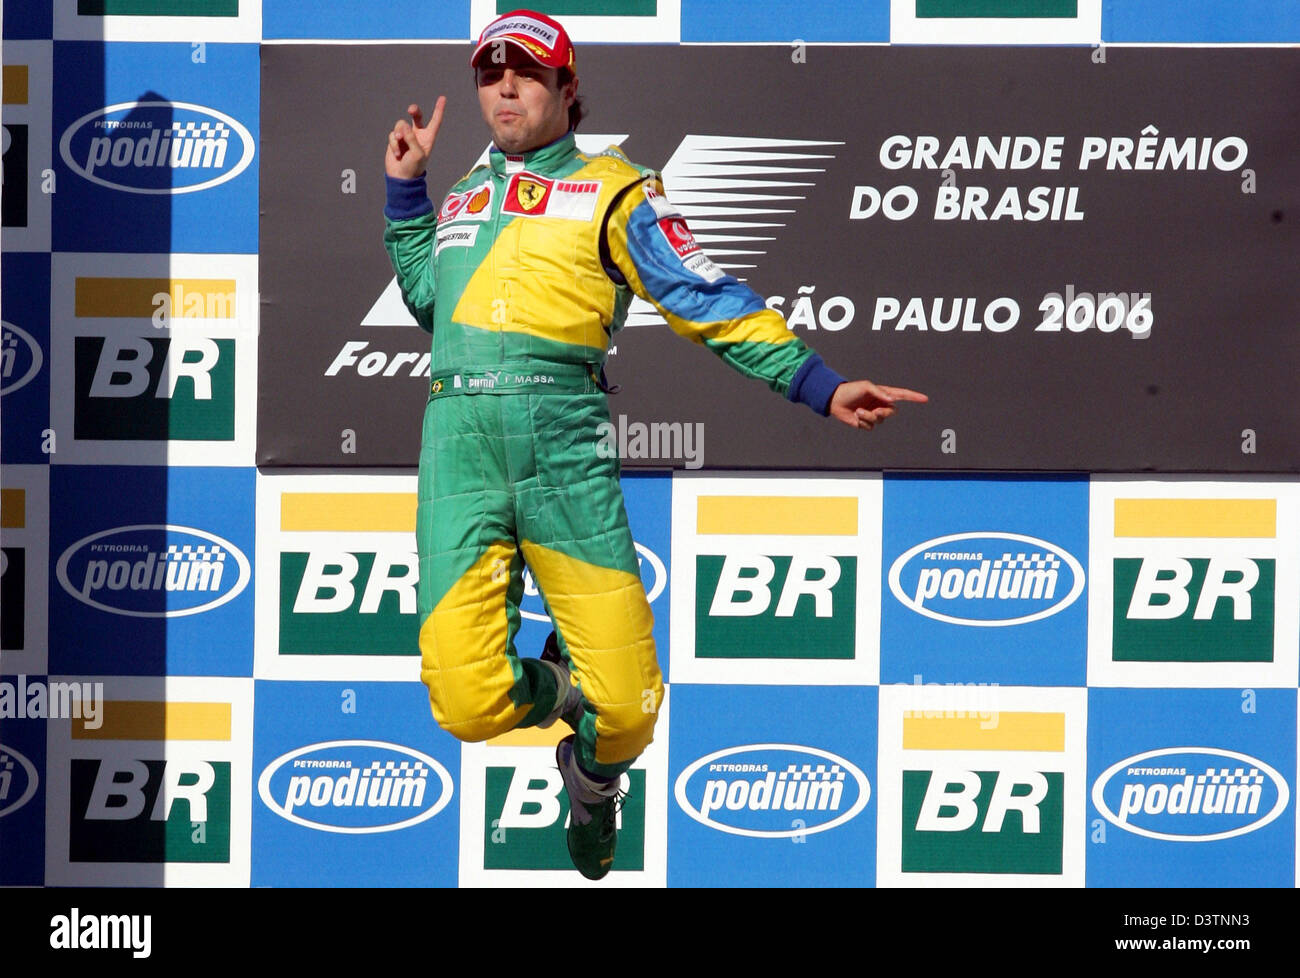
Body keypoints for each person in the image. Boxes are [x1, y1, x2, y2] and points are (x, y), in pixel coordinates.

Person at [383, 8, 926, 880]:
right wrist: (406, 193)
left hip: (563, 448)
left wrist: (820, 385)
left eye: (526, 72)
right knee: (467, 701)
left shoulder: (618, 190)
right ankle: (560, 688)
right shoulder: (463, 198)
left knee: (630, 712)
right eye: (491, 73)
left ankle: (592, 781)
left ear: (568, 89)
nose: (506, 87)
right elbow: (426, 302)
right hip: (457, 449)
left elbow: (706, 298)